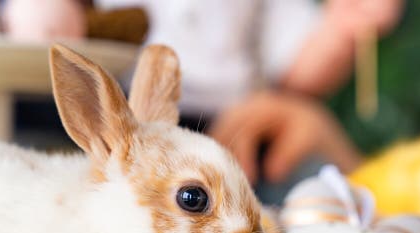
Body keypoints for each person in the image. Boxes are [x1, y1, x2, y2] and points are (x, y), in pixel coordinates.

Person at [97, 0, 403, 186]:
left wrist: (341, 27)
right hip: (123, 114)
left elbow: (299, 68)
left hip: (237, 127)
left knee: (313, 185)